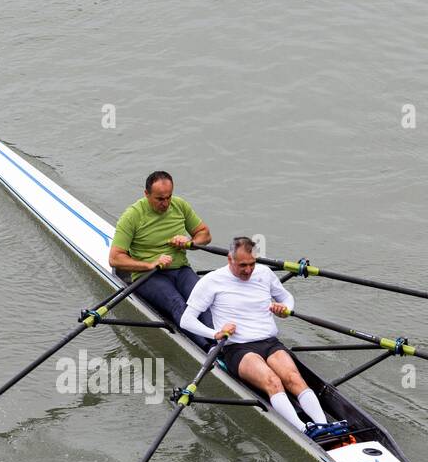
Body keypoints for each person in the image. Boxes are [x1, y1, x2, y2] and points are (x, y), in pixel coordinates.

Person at [180, 237, 333, 436]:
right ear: (229, 260)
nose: (248, 270)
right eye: (242, 265)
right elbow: (186, 320)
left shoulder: (264, 273)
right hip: (237, 348)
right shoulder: (211, 281)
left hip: (269, 342)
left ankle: (324, 426)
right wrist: (215, 333)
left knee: (294, 379)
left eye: (252, 264)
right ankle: (303, 430)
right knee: (272, 381)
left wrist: (286, 309)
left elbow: (286, 297)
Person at [109, 171, 214, 348]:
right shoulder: (132, 216)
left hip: (180, 270)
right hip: (148, 276)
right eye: (159, 199)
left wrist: (190, 242)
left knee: (203, 300)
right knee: (177, 304)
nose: (165, 203)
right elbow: (115, 258)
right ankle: (208, 349)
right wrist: (150, 264)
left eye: (168, 197)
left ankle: (219, 341)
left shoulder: (179, 205)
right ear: (146, 194)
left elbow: (205, 234)